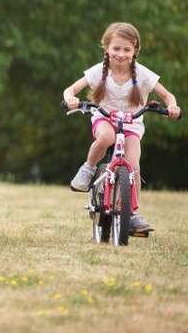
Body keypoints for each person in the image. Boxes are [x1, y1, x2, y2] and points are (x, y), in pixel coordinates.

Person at [62, 22, 180, 234]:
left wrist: (172, 106)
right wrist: (71, 99)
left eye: (127, 49)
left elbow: (167, 95)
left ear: (135, 50)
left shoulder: (142, 74)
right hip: (104, 119)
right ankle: (88, 168)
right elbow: (70, 89)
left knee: (134, 167)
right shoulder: (99, 71)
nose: (121, 54)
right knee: (106, 137)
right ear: (107, 47)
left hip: (131, 124)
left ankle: (132, 213)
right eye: (116, 48)